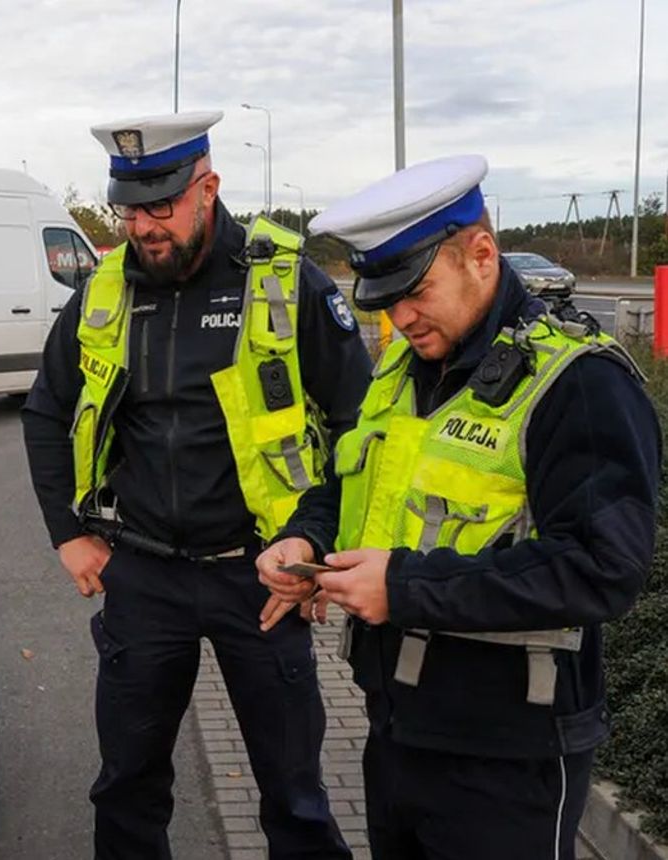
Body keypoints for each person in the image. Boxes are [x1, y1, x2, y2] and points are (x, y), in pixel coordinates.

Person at [257, 154, 660, 859]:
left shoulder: (579, 384)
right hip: (396, 735)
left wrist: (405, 587)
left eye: (416, 290)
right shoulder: (404, 370)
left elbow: (605, 568)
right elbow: (352, 481)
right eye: (382, 300)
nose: (400, 317)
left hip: (509, 762)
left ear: (480, 254)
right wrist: (305, 540)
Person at [22, 110, 367, 859]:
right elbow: (45, 409)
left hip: (263, 578)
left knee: (297, 798)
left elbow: (360, 427)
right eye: (131, 207)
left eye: (162, 204)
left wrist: (315, 540)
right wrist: (68, 534)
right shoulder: (104, 291)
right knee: (127, 787)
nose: (144, 226)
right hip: (143, 576)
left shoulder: (283, 281)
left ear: (208, 187)